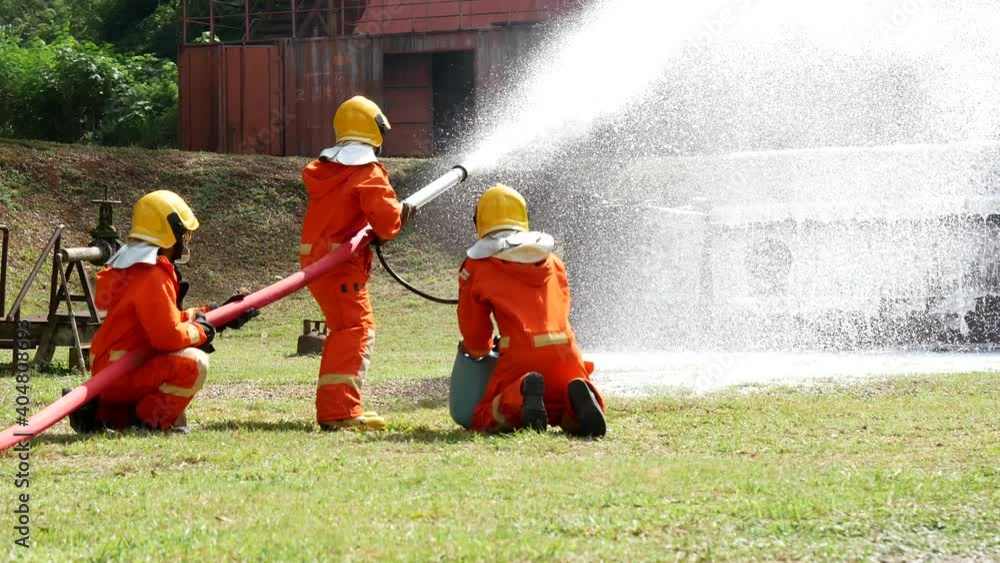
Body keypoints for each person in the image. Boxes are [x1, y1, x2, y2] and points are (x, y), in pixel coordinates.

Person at [68, 190, 258, 434]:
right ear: (171, 234)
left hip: (118, 369)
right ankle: (146, 422)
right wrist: (202, 331)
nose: (185, 242)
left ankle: (107, 415)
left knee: (178, 409)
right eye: (184, 235)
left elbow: (167, 319)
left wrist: (216, 314)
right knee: (193, 362)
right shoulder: (152, 274)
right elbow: (167, 336)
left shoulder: (136, 268)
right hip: (122, 373)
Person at [300, 95, 415, 431]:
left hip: (318, 261)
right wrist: (398, 216)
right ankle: (340, 412)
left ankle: (337, 408)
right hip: (339, 267)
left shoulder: (326, 169)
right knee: (356, 330)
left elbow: (347, 216)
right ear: (375, 131)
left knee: (344, 330)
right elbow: (386, 222)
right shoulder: (367, 171)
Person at [457, 184, 607, 437]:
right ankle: (577, 397)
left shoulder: (477, 266)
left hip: (520, 355)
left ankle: (522, 393)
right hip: (567, 351)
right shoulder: (553, 260)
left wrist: (480, 349)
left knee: (483, 415)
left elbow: (475, 338)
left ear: (479, 222)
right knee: (558, 404)